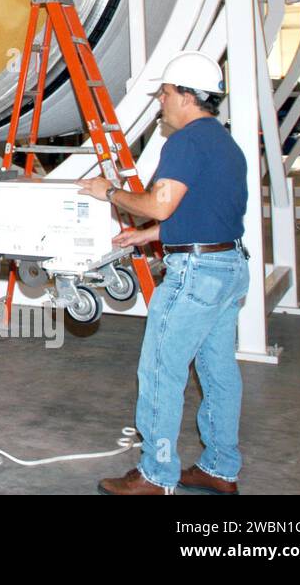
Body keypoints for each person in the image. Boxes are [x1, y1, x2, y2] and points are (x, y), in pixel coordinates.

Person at [77, 51, 248, 496]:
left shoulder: (185, 143)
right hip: (229, 266)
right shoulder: (223, 142)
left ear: (189, 96)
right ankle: (220, 468)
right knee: (218, 372)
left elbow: (159, 201)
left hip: (196, 274)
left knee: (160, 371)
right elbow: (205, 207)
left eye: (167, 93)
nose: (161, 103)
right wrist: (150, 234)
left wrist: (108, 191)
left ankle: (155, 475)